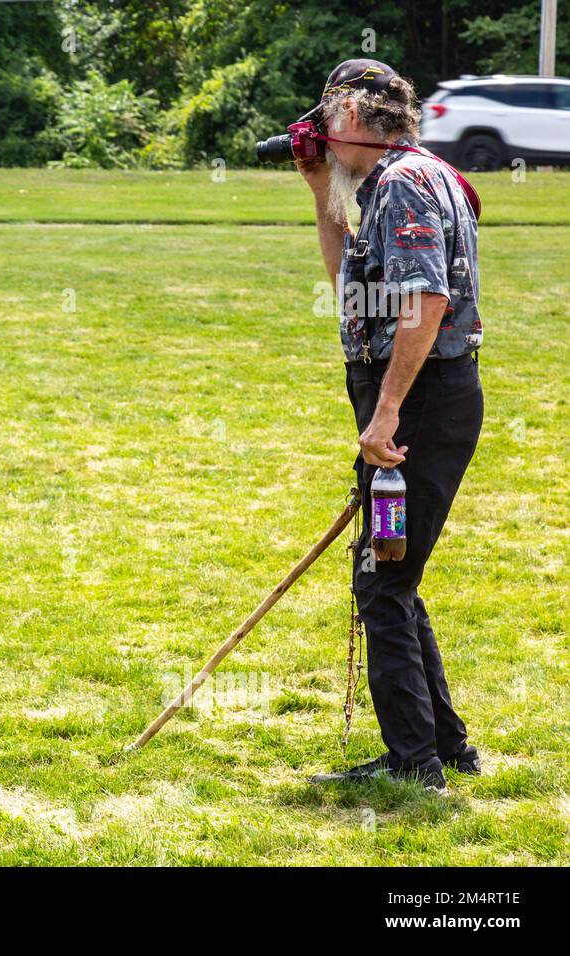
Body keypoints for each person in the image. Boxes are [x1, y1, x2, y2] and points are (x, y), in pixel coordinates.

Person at [298, 60, 484, 793]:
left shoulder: (403, 183)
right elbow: (354, 284)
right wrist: (321, 195)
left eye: (325, 118)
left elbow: (424, 302)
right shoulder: (397, 179)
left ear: (353, 116)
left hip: (419, 404)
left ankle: (416, 767)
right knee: (394, 572)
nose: (316, 131)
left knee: (381, 584)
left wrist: (384, 416)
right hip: (417, 400)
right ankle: (445, 746)